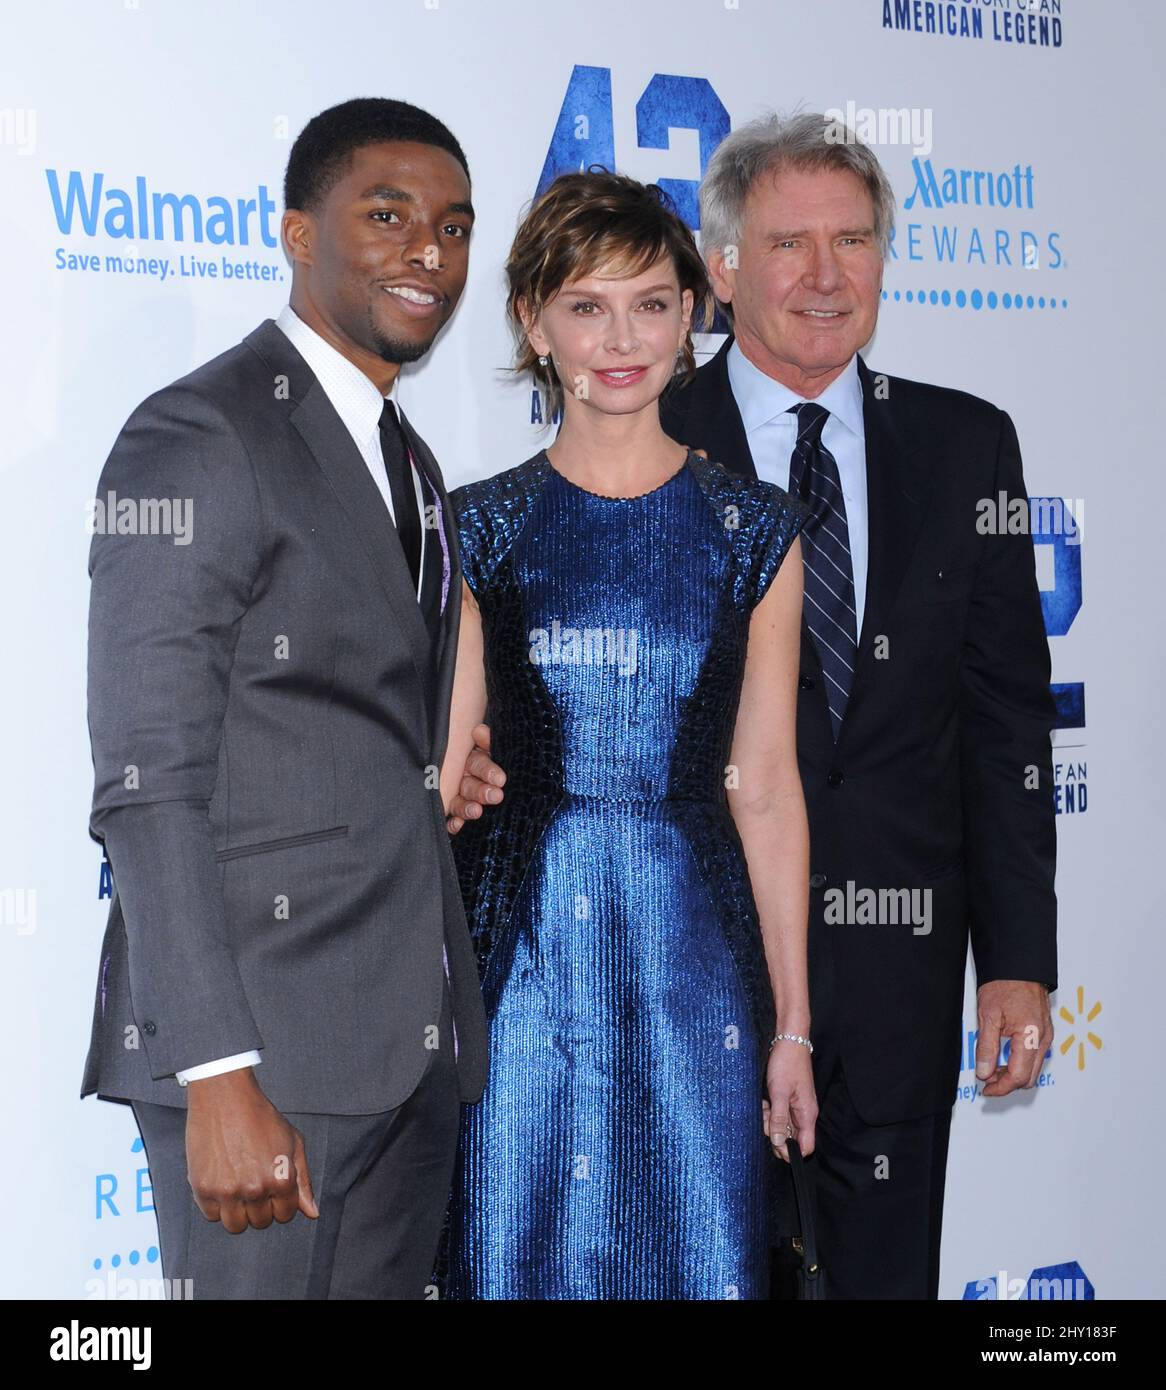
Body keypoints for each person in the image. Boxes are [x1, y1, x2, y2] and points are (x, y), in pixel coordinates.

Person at [451, 112, 1059, 1300]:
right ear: (720, 275)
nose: (825, 276)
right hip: (637, 961)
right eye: (789, 243)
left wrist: (1018, 958)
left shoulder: (964, 444)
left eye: (854, 240)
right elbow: (459, 745)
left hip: (890, 976)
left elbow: (1006, 724)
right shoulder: (633, 428)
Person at [81, 97, 487, 1299]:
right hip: (264, 1051)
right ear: (297, 234)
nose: (428, 251)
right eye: (388, 214)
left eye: (453, 225)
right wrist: (215, 1070)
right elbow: (147, 780)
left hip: (407, 1046)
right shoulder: (198, 431)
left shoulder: (402, 454)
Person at [438, 169, 814, 1300]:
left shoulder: (754, 530)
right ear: (531, 323)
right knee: (518, 1249)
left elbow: (766, 788)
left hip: (694, 954)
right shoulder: (477, 523)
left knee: (700, 1252)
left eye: (650, 303)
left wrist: (791, 1028)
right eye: (585, 306)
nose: (620, 338)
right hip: (519, 950)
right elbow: (445, 766)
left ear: (693, 312)